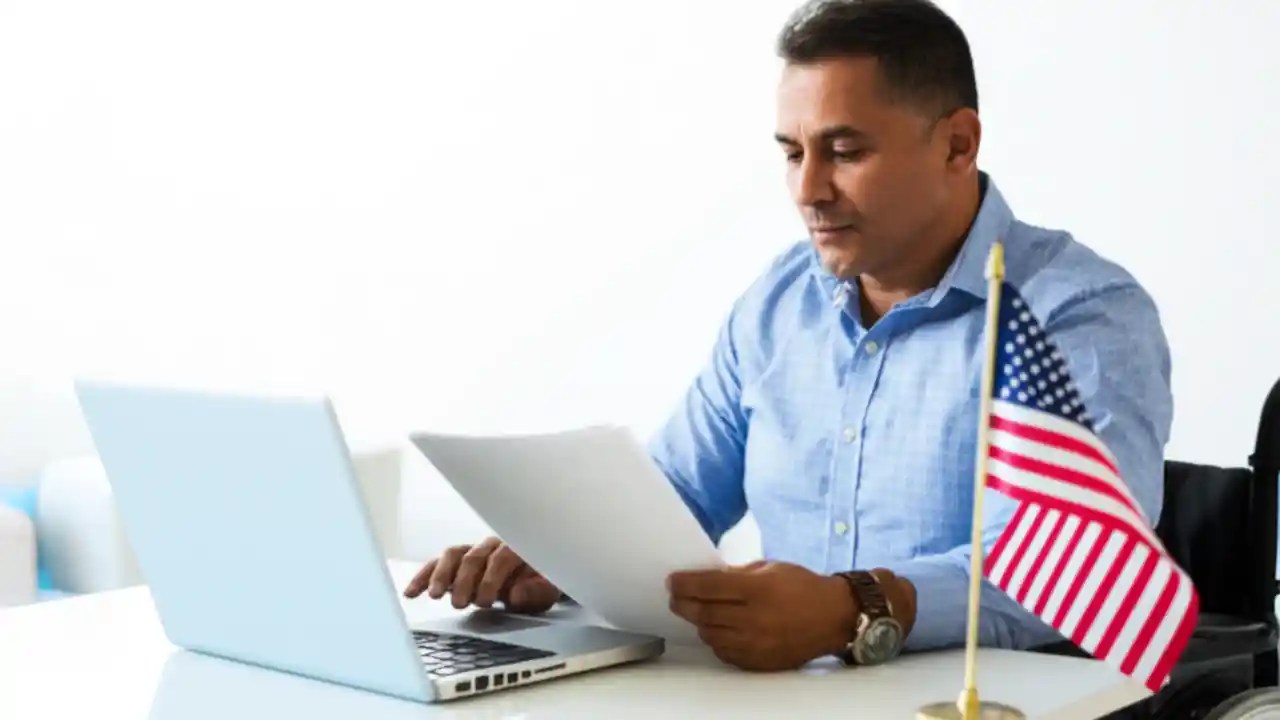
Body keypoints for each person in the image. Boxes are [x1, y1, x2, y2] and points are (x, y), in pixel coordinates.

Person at [403, 0, 1171, 676]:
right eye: (792, 152)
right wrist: (563, 557)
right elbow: (676, 496)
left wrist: (852, 608)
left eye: (846, 151)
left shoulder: (1079, 315)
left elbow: (1079, 567)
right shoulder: (780, 302)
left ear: (958, 145)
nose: (807, 191)